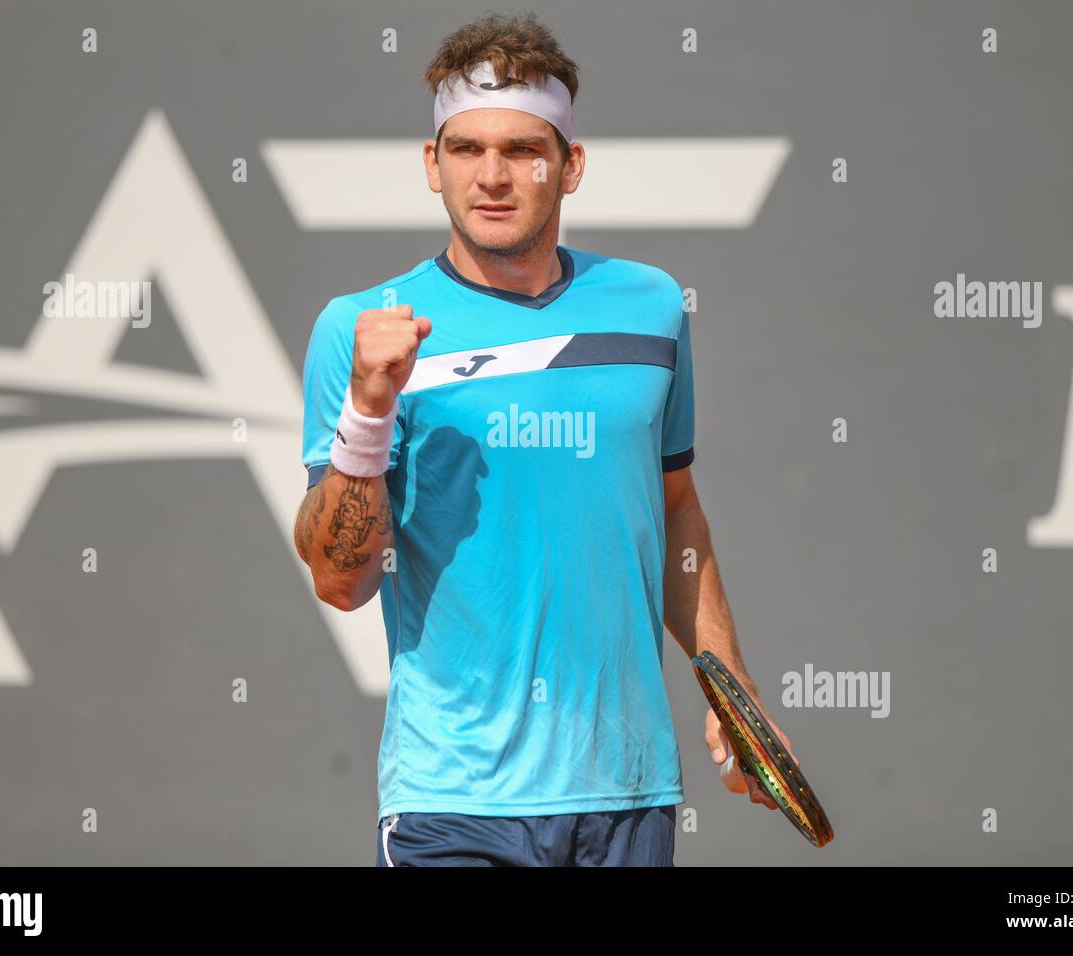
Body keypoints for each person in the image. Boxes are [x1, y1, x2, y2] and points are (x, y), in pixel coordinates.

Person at [293, 12, 796, 867]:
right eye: (465, 149)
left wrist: (730, 682)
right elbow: (340, 582)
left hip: (628, 794)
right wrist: (370, 410)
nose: (493, 176)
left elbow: (675, 509)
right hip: (452, 801)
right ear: (431, 164)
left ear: (570, 168)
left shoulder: (652, 308)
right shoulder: (360, 330)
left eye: (526, 149)